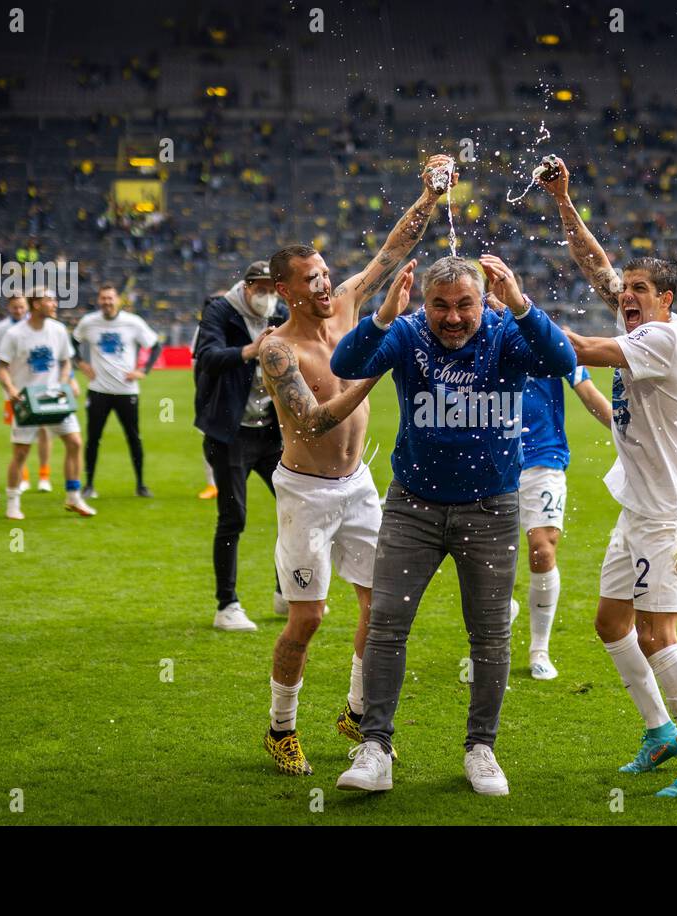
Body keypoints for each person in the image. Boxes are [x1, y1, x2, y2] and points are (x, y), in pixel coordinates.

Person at [330, 253, 576, 796]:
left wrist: (520, 304)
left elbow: (561, 359)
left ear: (481, 299)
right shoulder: (408, 332)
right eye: (440, 305)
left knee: (489, 635)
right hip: (412, 506)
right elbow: (344, 365)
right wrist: (380, 317)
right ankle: (376, 747)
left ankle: (481, 749)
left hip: (489, 509)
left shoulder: (504, 333)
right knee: (387, 625)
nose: (453, 317)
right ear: (424, 302)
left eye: (465, 303)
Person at [255, 155, 454, 776]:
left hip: (359, 484)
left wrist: (427, 193)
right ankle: (281, 727)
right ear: (284, 290)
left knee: (382, 603)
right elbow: (314, 422)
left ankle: (357, 710)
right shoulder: (276, 349)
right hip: (305, 493)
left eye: (324, 274)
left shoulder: (344, 306)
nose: (323, 284)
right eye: (308, 279)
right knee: (308, 619)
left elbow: (391, 252)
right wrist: (380, 354)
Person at [541, 156, 677, 798]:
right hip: (640, 507)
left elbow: (585, 349)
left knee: (657, 634)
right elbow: (598, 267)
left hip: (671, 513)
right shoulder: (641, 325)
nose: (626, 296)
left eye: (639, 291)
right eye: (625, 291)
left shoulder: (667, 340)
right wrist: (565, 201)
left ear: (666, 300)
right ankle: (661, 732)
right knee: (610, 623)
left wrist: (513, 312)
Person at [193, 260, 291, 631]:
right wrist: (250, 351)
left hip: (269, 431)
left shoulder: (280, 312)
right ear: (247, 287)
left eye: (273, 287)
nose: (268, 295)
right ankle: (226, 606)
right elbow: (207, 358)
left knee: (295, 506)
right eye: (262, 288)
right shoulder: (220, 311)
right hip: (230, 431)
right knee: (233, 517)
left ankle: (286, 593)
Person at [516, 358, 611, 680]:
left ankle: (539, 649)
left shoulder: (545, 339)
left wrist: (626, 432)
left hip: (544, 457)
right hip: (490, 456)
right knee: (483, 556)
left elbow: (586, 390)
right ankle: (501, 610)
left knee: (543, 549)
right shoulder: (476, 333)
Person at [0, 291, 95, 520]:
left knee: (75, 442)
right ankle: (12, 503)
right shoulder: (14, 334)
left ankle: (73, 495)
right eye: (50, 300)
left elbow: (65, 361)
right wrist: (11, 391)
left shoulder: (58, 329)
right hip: (27, 401)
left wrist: (65, 381)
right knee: (21, 452)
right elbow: (1, 367)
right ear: (36, 304)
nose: (55, 303)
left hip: (55, 398)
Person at [72, 283, 160, 498]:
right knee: (93, 438)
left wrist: (143, 371)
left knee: (133, 438)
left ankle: (140, 485)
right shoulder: (89, 322)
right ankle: (89, 485)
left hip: (126, 391)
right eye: (103, 298)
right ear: (98, 300)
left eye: (110, 298)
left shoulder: (133, 322)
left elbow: (155, 345)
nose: (107, 302)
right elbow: (71, 342)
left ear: (118, 300)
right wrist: (81, 364)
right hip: (98, 390)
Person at [0, 296, 53, 493]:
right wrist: (6, 382)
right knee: (18, 436)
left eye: (21, 307)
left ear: (28, 307)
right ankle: (23, 477)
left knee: (44, 430)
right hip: (14, 391)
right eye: (15, 307)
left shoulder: (41, 326)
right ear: (9, 307)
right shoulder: (2, 329)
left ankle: (44, 476)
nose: (18, 310)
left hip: (40, 388)